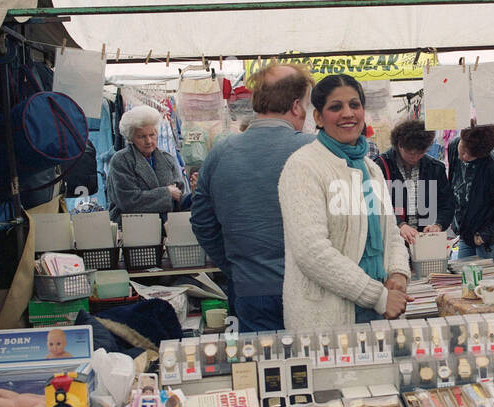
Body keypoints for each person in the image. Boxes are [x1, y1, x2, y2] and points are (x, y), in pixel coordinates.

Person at [278, 74, 410, 332]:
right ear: (318, 117)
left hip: (378, 310)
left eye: (354, 105)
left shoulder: (371, 168)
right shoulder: (303, 166)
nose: (348, 113)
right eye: (335, 107)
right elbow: (312, 251)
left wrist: (397, 273)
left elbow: (391, 233)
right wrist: (378, 296)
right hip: (328, 316)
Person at [189, 64, 315, 331]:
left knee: (260, 368)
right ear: (296, 106)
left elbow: (202, 222)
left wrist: (235, 265)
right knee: (311, 367)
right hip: (309, 288)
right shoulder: (313, 150)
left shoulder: (219, 153)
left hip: (249, 288)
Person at [374, 118, 454, 245]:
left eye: (420, 153)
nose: (415, 157)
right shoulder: (380, 166)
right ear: (399, 145)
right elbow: (375, 205)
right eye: (410, 153)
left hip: (425, 240)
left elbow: (447, 204)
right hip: (392, 241)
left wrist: (438, 224)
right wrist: (400, 224)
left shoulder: (435, 168)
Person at [447, 124, 494, 258]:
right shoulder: (453, 146)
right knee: (464, 275)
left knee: (485, 277)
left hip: (487, 239)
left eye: (472, 156)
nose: (465, 157)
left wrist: (484, 236)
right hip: (465, 232)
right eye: (463, 150)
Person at [105, 104, 186, 220]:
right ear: (131, 137)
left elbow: (179, 193)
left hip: (165, 227)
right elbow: (128, 200)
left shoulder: (167, 158)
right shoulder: (121, 160)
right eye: (141, 136)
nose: (148, 141)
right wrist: (167, 193)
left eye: (152, 135)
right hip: (133, 228)